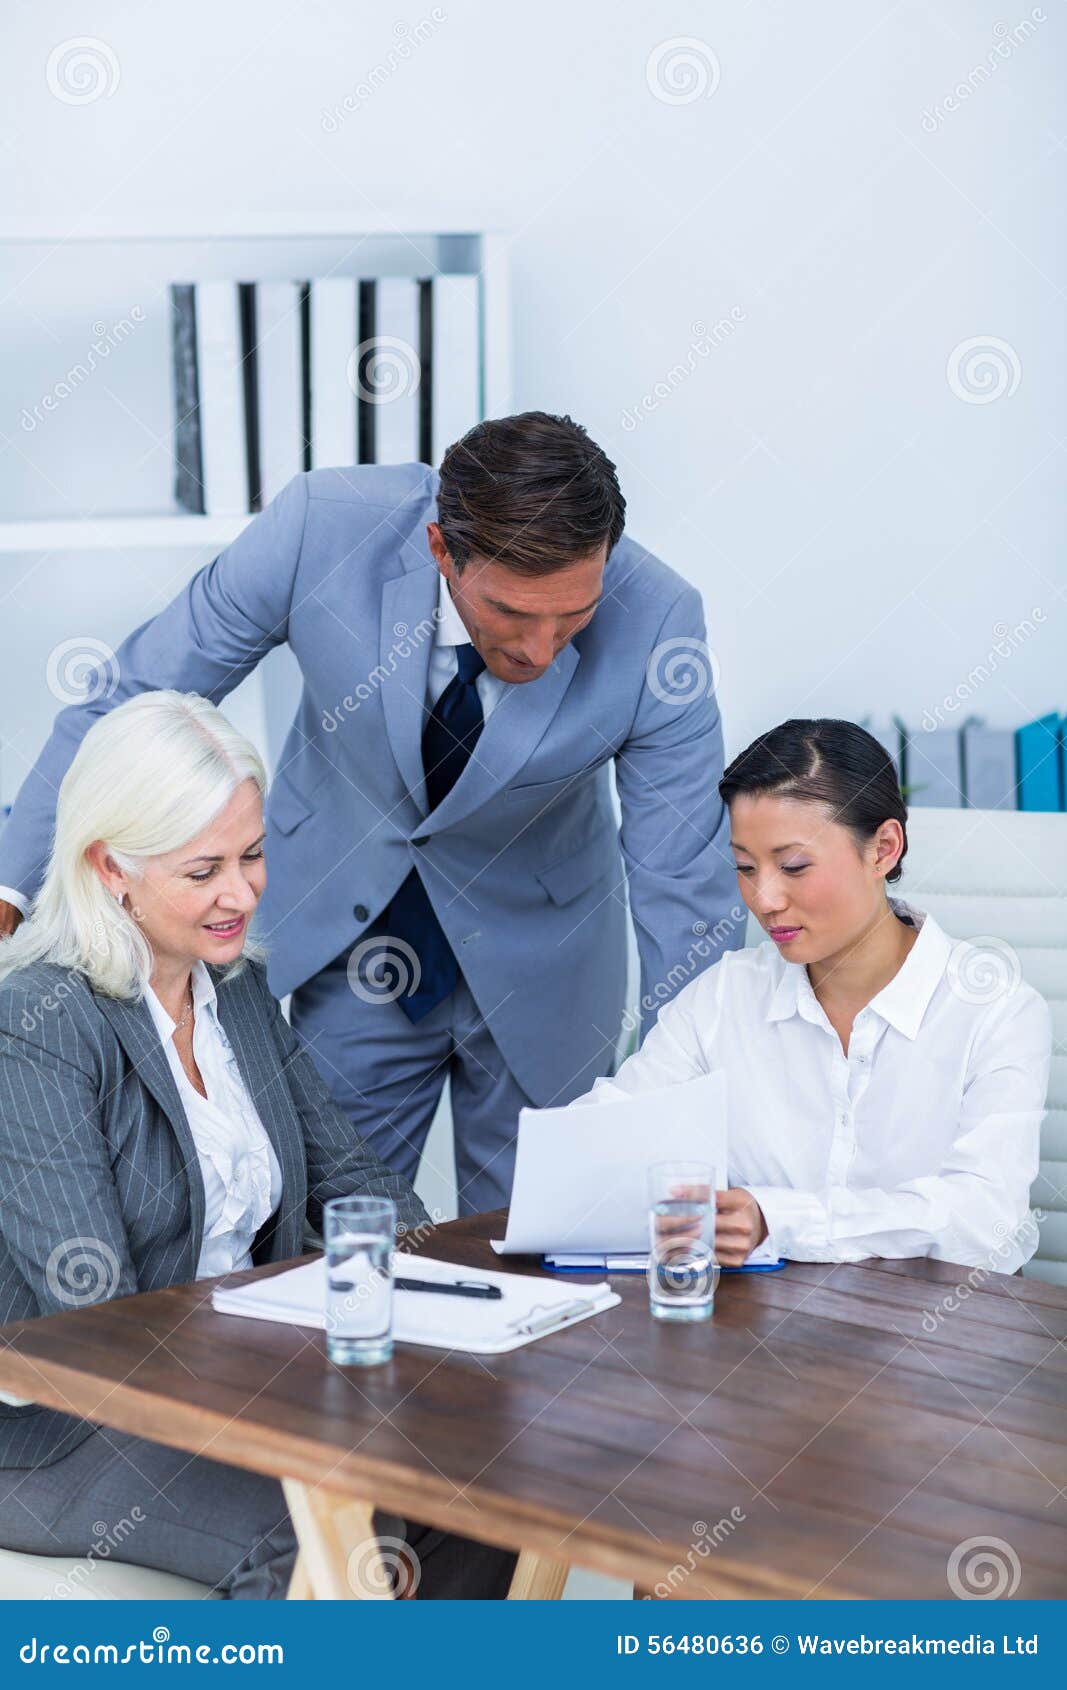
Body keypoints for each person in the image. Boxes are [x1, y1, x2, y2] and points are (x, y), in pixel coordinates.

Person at [0, 412, 740, 1215]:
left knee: (547, 1253)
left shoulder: (659, 616)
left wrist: (691, 1108)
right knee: (327, 1241)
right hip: (351, 944)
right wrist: (11, 891)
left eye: (572, 617)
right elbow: (127, 703)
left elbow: (684, 875)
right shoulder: (324, 528)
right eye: (511, 614)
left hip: (546, 967)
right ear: (439, 551)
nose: (540, 649)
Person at [0, 692, 515, 1599]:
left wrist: (457, 1297)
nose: (241, 892)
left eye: (253, 855)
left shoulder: (235, 990)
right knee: (340, 1528)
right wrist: (287, 1379)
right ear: (108, 868)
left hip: (233, 1387)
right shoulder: (40, 1020)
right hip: (68, 1424)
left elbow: (349, 1176)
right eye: (204, 870)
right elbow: (97, 1312)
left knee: (482, 1478)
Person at [574, 719, 1051, 1273]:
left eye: (794, 866)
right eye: (745, 868)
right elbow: (609, 1133)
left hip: (935, 1340)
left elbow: (985, 1225)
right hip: (757, 1337)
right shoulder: (726, 995)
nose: (765, 898)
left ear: (884, 850)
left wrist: (781, 1220)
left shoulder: (995, 1009)